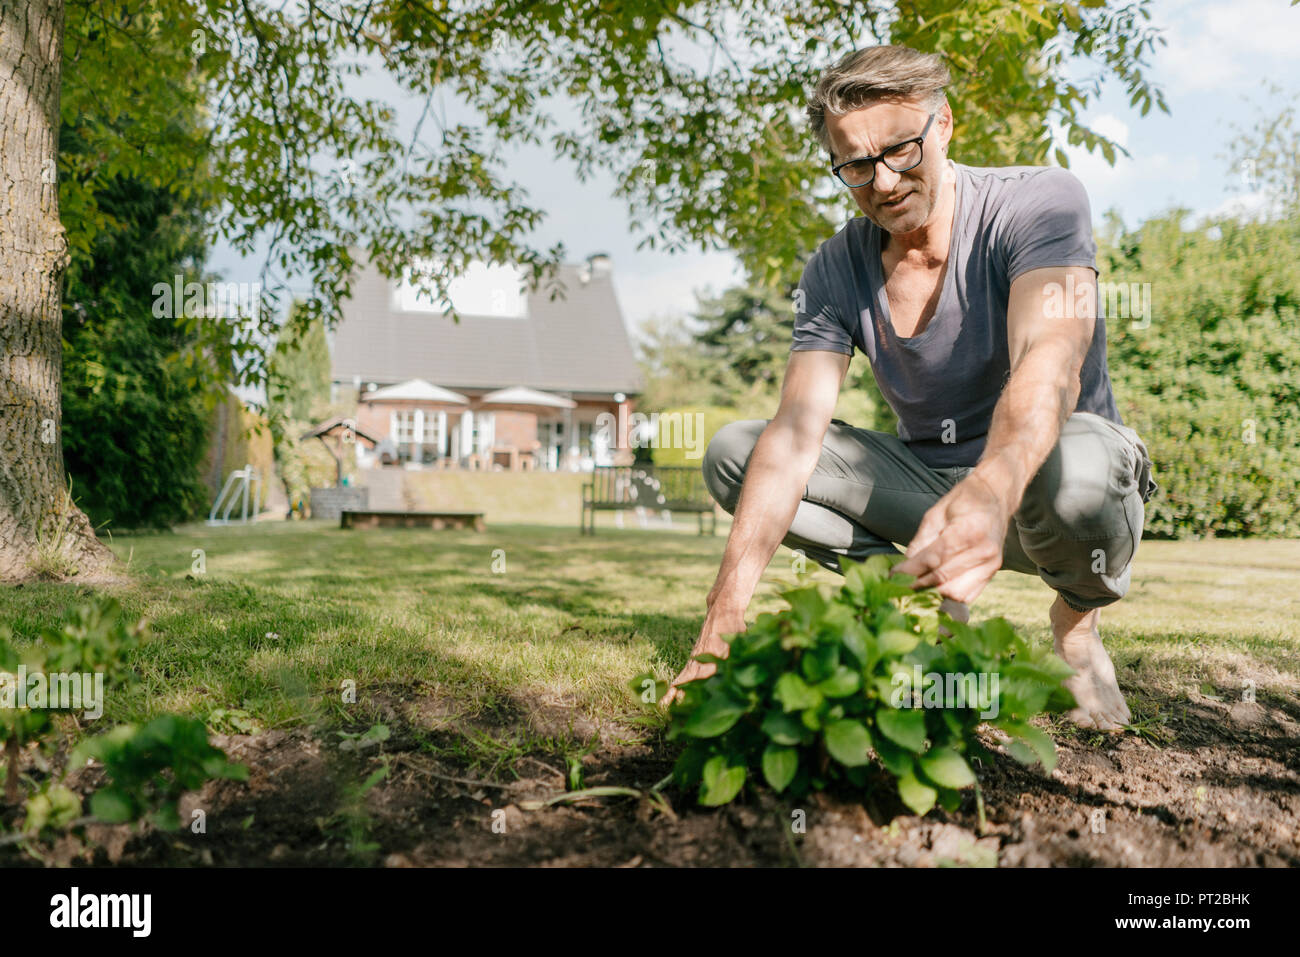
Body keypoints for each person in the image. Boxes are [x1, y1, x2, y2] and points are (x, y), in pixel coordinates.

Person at [666, 45, 1157, 731]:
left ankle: (1075, 625)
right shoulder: (834, 268)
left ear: (945, 124)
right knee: (735, 452)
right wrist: (723, 617)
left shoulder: (1039, 201)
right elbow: (798, 431)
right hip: (929, 488)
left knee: (1074, 472)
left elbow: (1050, 358)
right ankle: (920, 615)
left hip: (1054, 479)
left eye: (901, 149)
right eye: (857, 165)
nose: (885, 181)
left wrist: (987, 493)